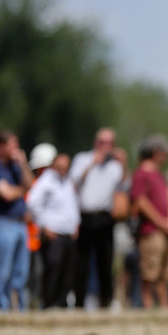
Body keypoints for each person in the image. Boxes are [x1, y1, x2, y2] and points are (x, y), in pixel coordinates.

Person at [70, 128, 123, 309]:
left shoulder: (115, 166)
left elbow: (122, 187)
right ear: (95, 143)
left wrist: (124, 162)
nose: (105, 147)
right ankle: (79, 303)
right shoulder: (82, 159)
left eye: (109, 143)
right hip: (85, 217)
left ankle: (106, 301)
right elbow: (74, 182)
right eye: (102, 142)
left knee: (105, 263)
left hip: (105, 218)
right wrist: (92, 164)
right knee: (81, 264)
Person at [0, 130, 34, 310]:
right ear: (1, 147)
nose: (17, 149)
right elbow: (7, 194)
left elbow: (29, 184)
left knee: (21, 272)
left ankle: (19, 308)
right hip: (3, 224)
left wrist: (23, 165)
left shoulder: (16, 167)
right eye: (13, 145)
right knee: (3, 271)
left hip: (21, 224)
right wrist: (21, 189)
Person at [26, 146, 80, 308]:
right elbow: (32, 204)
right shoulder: (46, 181)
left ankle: (62, 304)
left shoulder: (67, 181)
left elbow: (72, 205)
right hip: (53, 233)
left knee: (67, 272)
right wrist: (44, 225)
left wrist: (75, 224)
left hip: (68, 233)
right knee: (53, 270)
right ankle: (49, 303)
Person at [131, 135, 168, 308]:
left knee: (165, 275)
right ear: (155, 153)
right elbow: (140, 202)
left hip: (166, 230)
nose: (167, 156)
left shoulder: (160, 175)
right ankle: (148, 307)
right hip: (151, 231)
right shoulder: (141, 174)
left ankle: (165, 307)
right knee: (149, 274)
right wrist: (161, 222)